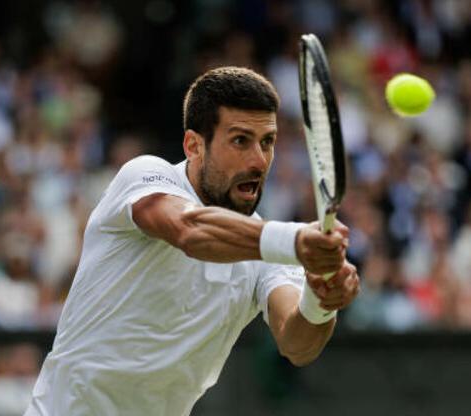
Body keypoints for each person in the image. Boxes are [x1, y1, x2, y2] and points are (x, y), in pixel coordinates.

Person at [24, 66, 360, 415]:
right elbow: (190, 230)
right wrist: (294, 243)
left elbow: (297, 345)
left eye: (267, 142)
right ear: (194, 145)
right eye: (240, 140)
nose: (259, 160)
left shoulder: (265, 245)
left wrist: (321, 298)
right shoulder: (145, 176)